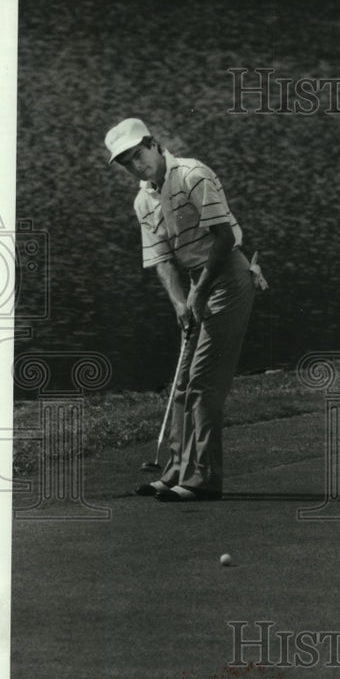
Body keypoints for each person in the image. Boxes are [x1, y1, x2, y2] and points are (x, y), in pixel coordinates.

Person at [104, 117, 263, 502]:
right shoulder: (144, 200)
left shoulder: (193, 174)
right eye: (126, 162)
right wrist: (180, 301)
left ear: (154, 144)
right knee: (182, 382)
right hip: (197, 283)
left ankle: (203, 479)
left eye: (138, 155)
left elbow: (224, 238)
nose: (135, 166)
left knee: (204, 382)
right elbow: (161, 259)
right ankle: (176, 471)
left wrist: (199, 292)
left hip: (228, 277)